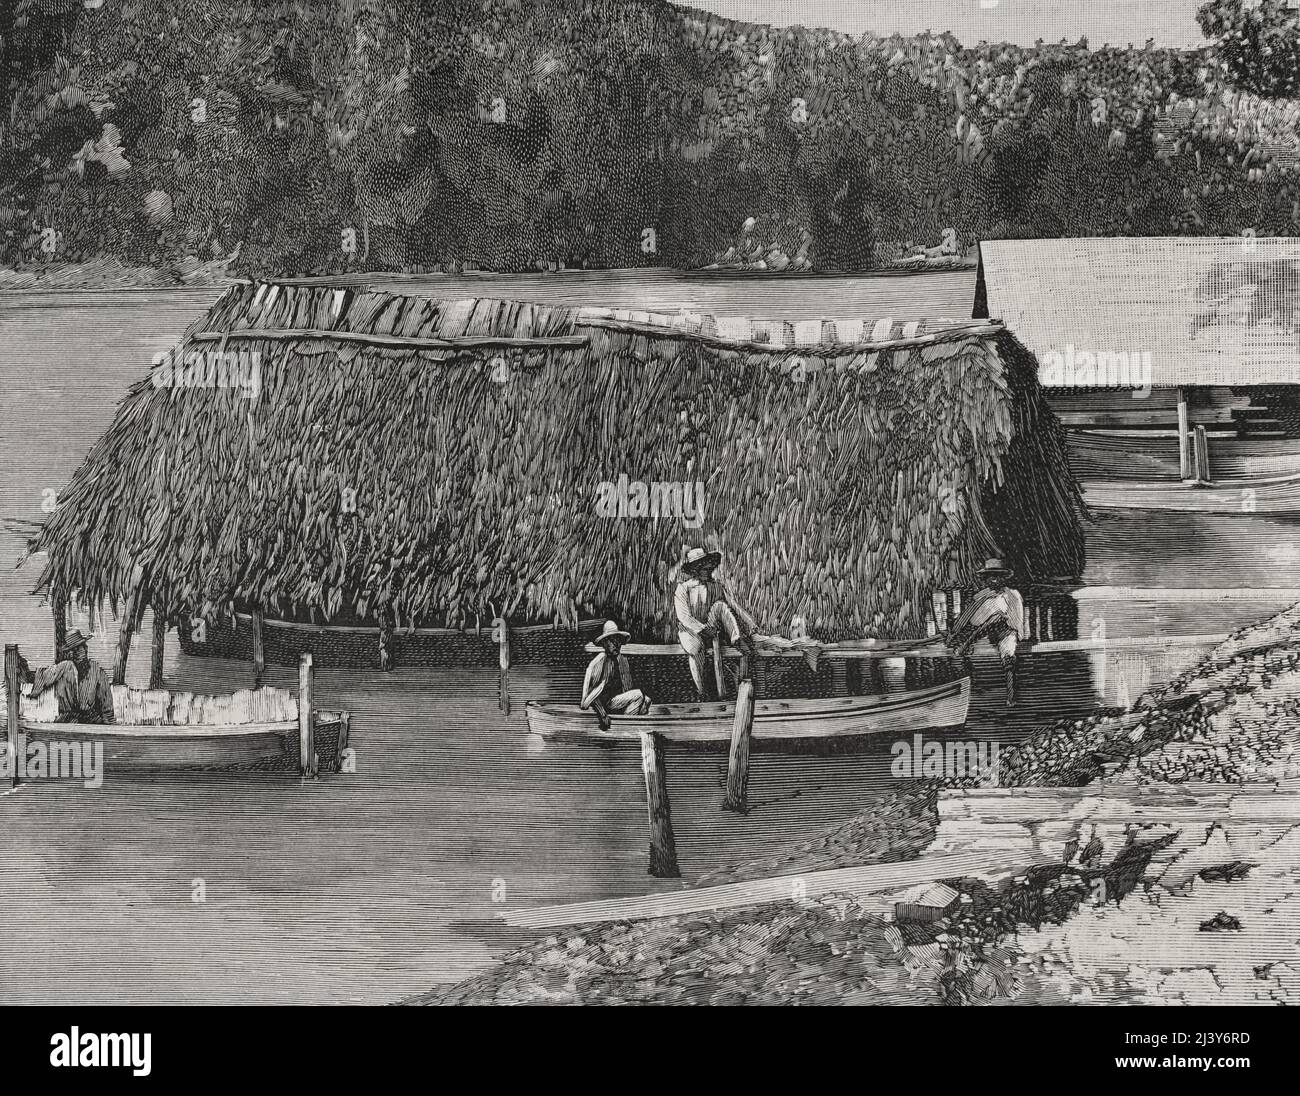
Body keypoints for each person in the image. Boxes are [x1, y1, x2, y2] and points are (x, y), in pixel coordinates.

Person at [674, 546, 757, 699]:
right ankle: (701, 692)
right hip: (690, 630)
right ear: (695, 570)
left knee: (721, 606)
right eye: (705, 569)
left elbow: (733, 605)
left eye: (709, 568)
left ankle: (736, 638)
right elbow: (684, 617)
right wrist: (702, 629)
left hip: (711, 627)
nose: (709, 571)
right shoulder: (683, 589)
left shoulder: (716, 586)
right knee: (695, 648)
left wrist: (750, 622)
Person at [946, 559, 1025, 706]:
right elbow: (967, 617)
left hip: (1005, 632)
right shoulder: (981, 596)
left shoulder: (1011, 595)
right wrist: (954, 633)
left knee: (1008, 656)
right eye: (991, 576)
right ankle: (969, 688)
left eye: (997, 575)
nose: (994, 579)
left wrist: (1014, 631)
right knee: (987, 625)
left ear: (1003, 578)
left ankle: (1011, 697)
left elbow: (1014, 620)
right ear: (986, 579)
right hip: (982, 633)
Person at [17, 629, 115, 724]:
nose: (75, 653)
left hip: (91, 723)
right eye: (72, 650)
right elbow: (41, 676)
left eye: (78, 648)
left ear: (85, 649)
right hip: (67, 721)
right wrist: (22, 667)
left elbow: (107, 709)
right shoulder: (65, 667)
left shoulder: (97, 672)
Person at [581, 620, 651, 730]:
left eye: (618, 641)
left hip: (617, 703)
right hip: (605, 703)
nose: (616, 645)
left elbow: (626, 687)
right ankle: (625, 728)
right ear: (604, 643)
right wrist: (602, 714)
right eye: (612, 641)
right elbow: (591, 694)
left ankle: (629, 727)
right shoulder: (600, 661)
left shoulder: (622, 661)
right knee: (638, 695)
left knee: (646, 700)